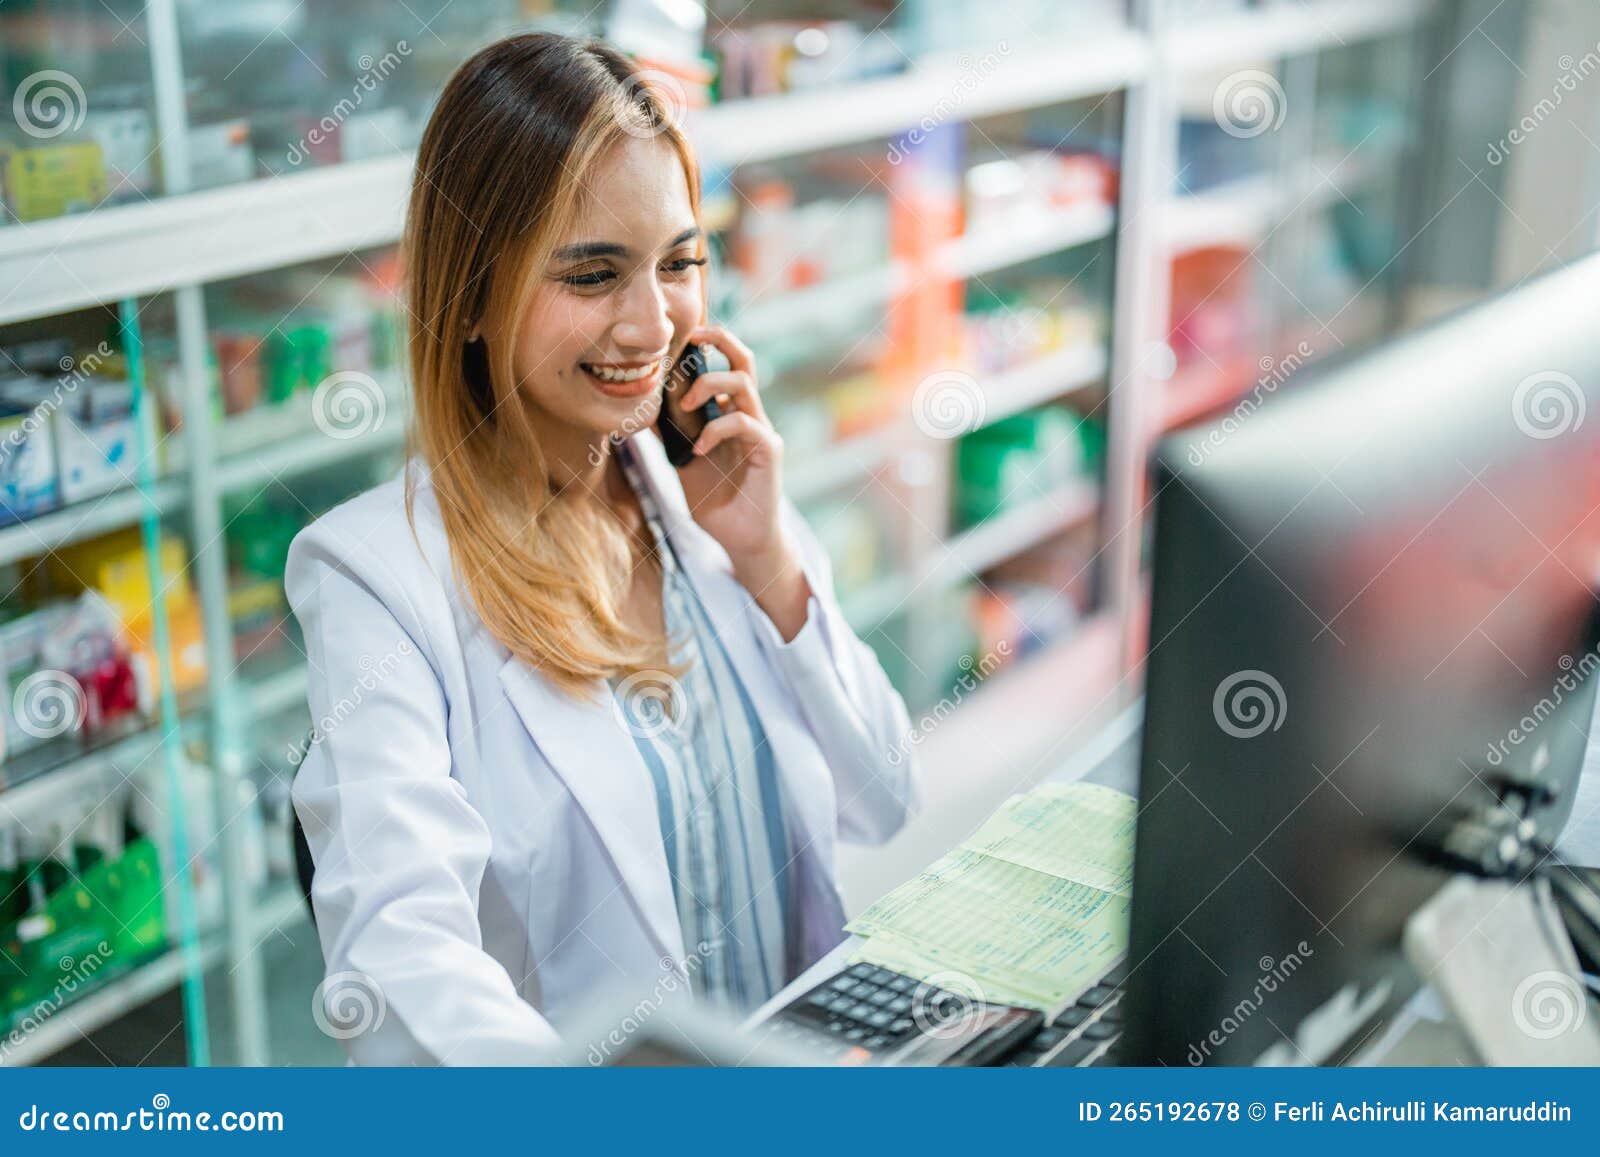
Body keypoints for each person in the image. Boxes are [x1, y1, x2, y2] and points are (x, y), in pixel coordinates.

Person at [286, 31, 921, 1065]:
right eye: (593, 275)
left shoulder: (701, 492)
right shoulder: (374, 576)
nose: (651, 324)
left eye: (679, 263)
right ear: (471, 297)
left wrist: (767, 558)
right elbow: (400, 960)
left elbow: (886, 800)